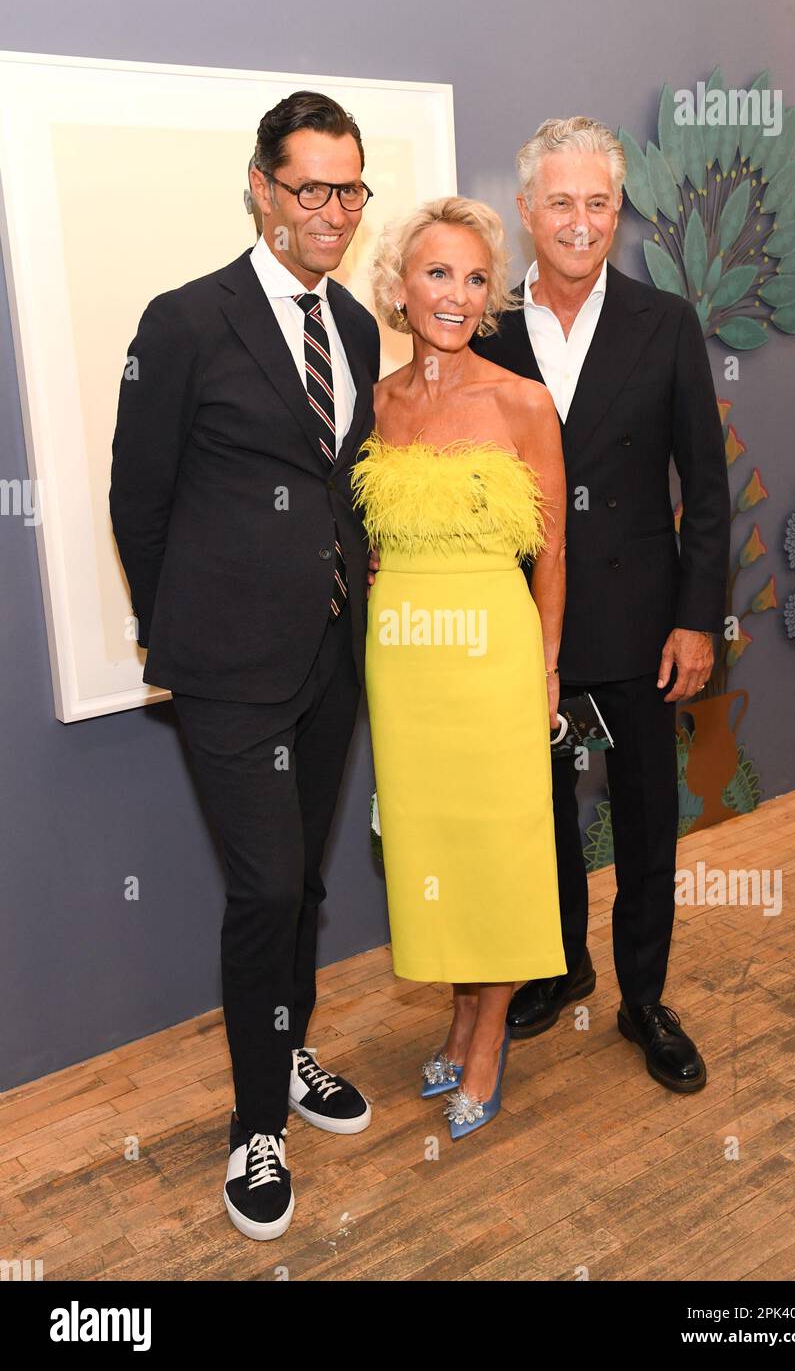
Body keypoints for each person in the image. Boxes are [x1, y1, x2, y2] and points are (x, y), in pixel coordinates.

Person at [110, 91, 380, 1240]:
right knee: (265, 888)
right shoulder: (183, 322)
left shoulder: (359, 326)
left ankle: (284, 1037)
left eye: (349, 189)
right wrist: (187, 639)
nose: (331, 210)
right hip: (227, 670)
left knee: (306, 883)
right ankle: (255, 1122)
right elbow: (140, 502)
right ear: (261, 189)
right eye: (310, 187)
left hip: (331, 656)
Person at [470, 116, 730, 1092]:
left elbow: (702, 487)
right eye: (560, 202)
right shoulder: (485, 327)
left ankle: (643, 1000)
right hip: (522, 627)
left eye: (597, 203)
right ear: (526, 209)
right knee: (535, 811)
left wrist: (696, 616)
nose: (579, 221)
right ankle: (558, 963)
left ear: (616, 212)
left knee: (643, 818)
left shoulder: (664, 324)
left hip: (638, 624)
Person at [350, 196, 567, 1140]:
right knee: (435, 848)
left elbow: (554, 550)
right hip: (405, 664)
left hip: (492, 651)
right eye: (438, 272)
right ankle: (461, 1007)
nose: (457, 293)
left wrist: (548, 667)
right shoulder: (375, 404)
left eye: (477, 278)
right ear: (400, 283)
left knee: (500, 848)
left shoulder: (521, 402)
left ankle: (487, 1037)